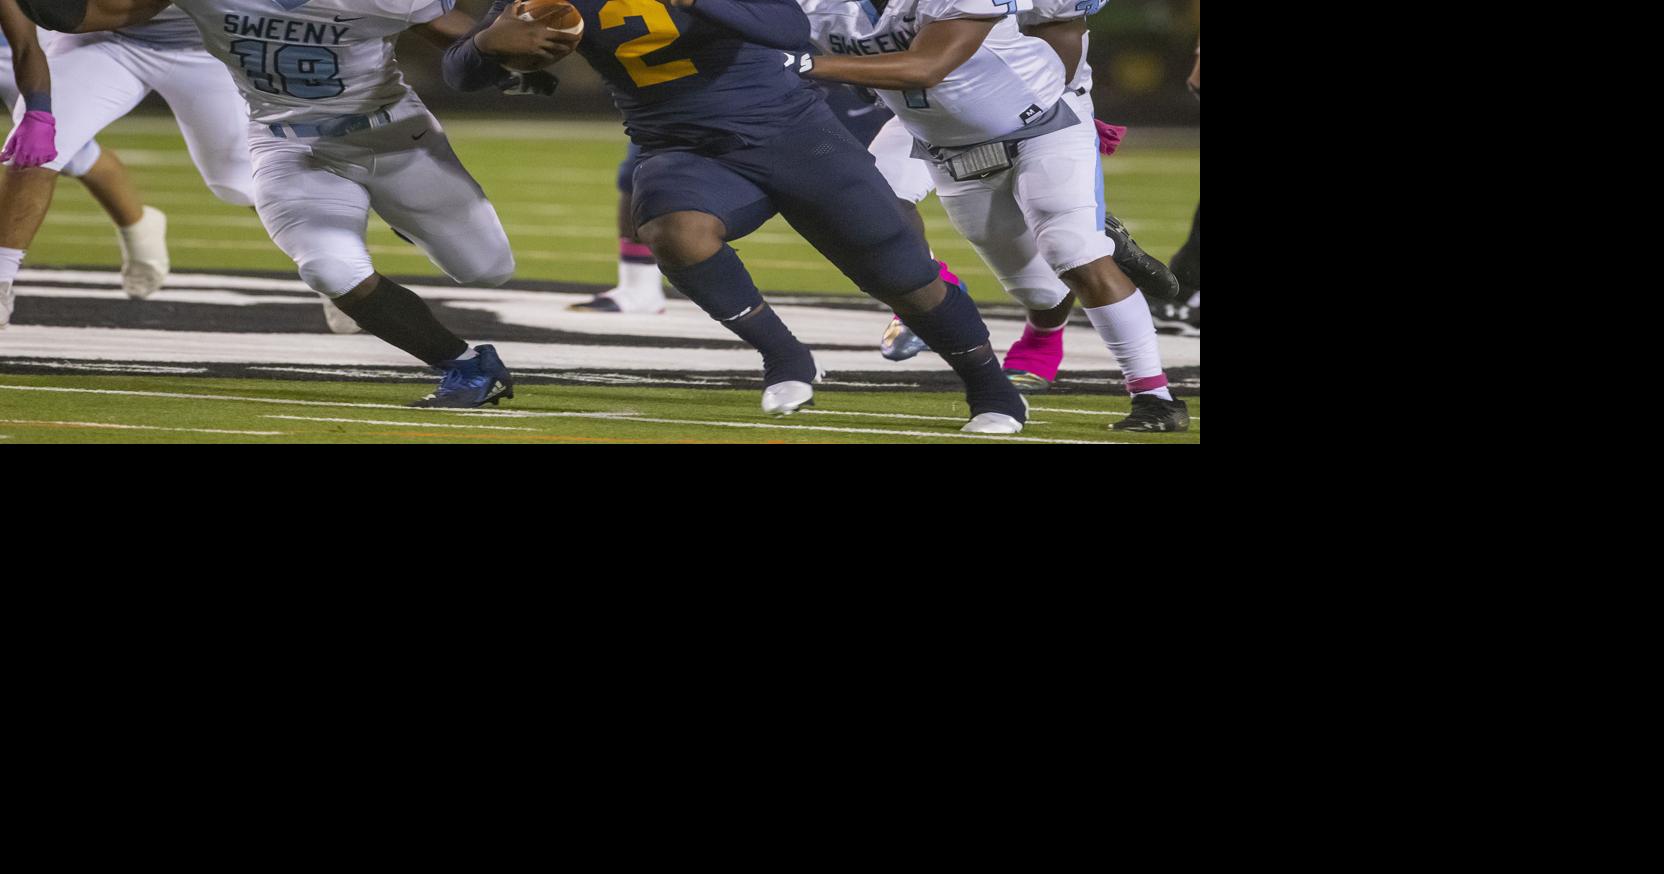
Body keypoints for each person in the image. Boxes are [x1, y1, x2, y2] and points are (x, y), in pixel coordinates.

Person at [446, 0, 1029, 432]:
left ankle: (991, 388)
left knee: (902, 275)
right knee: (674, 231)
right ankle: (784, 355)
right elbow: (460, 72)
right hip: (680, 146)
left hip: (792, 132)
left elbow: (786, 28)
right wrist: (486, 47)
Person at [25, 0, 522, 408]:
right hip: (285, 144)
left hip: (393, 136)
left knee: (487, 270)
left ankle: (402, 215)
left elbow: (460, 38)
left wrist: (502, 52)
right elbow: (96, 12)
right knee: (330, 269)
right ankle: (465, 365)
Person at [802, 0, 1188, 431]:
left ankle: (1155, 397)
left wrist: (1050, 92)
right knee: (1037, 291)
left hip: (1039, 124)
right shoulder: (816, 7)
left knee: (1072, 248)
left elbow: (930, 65)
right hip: (938, 137)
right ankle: (934, 283)